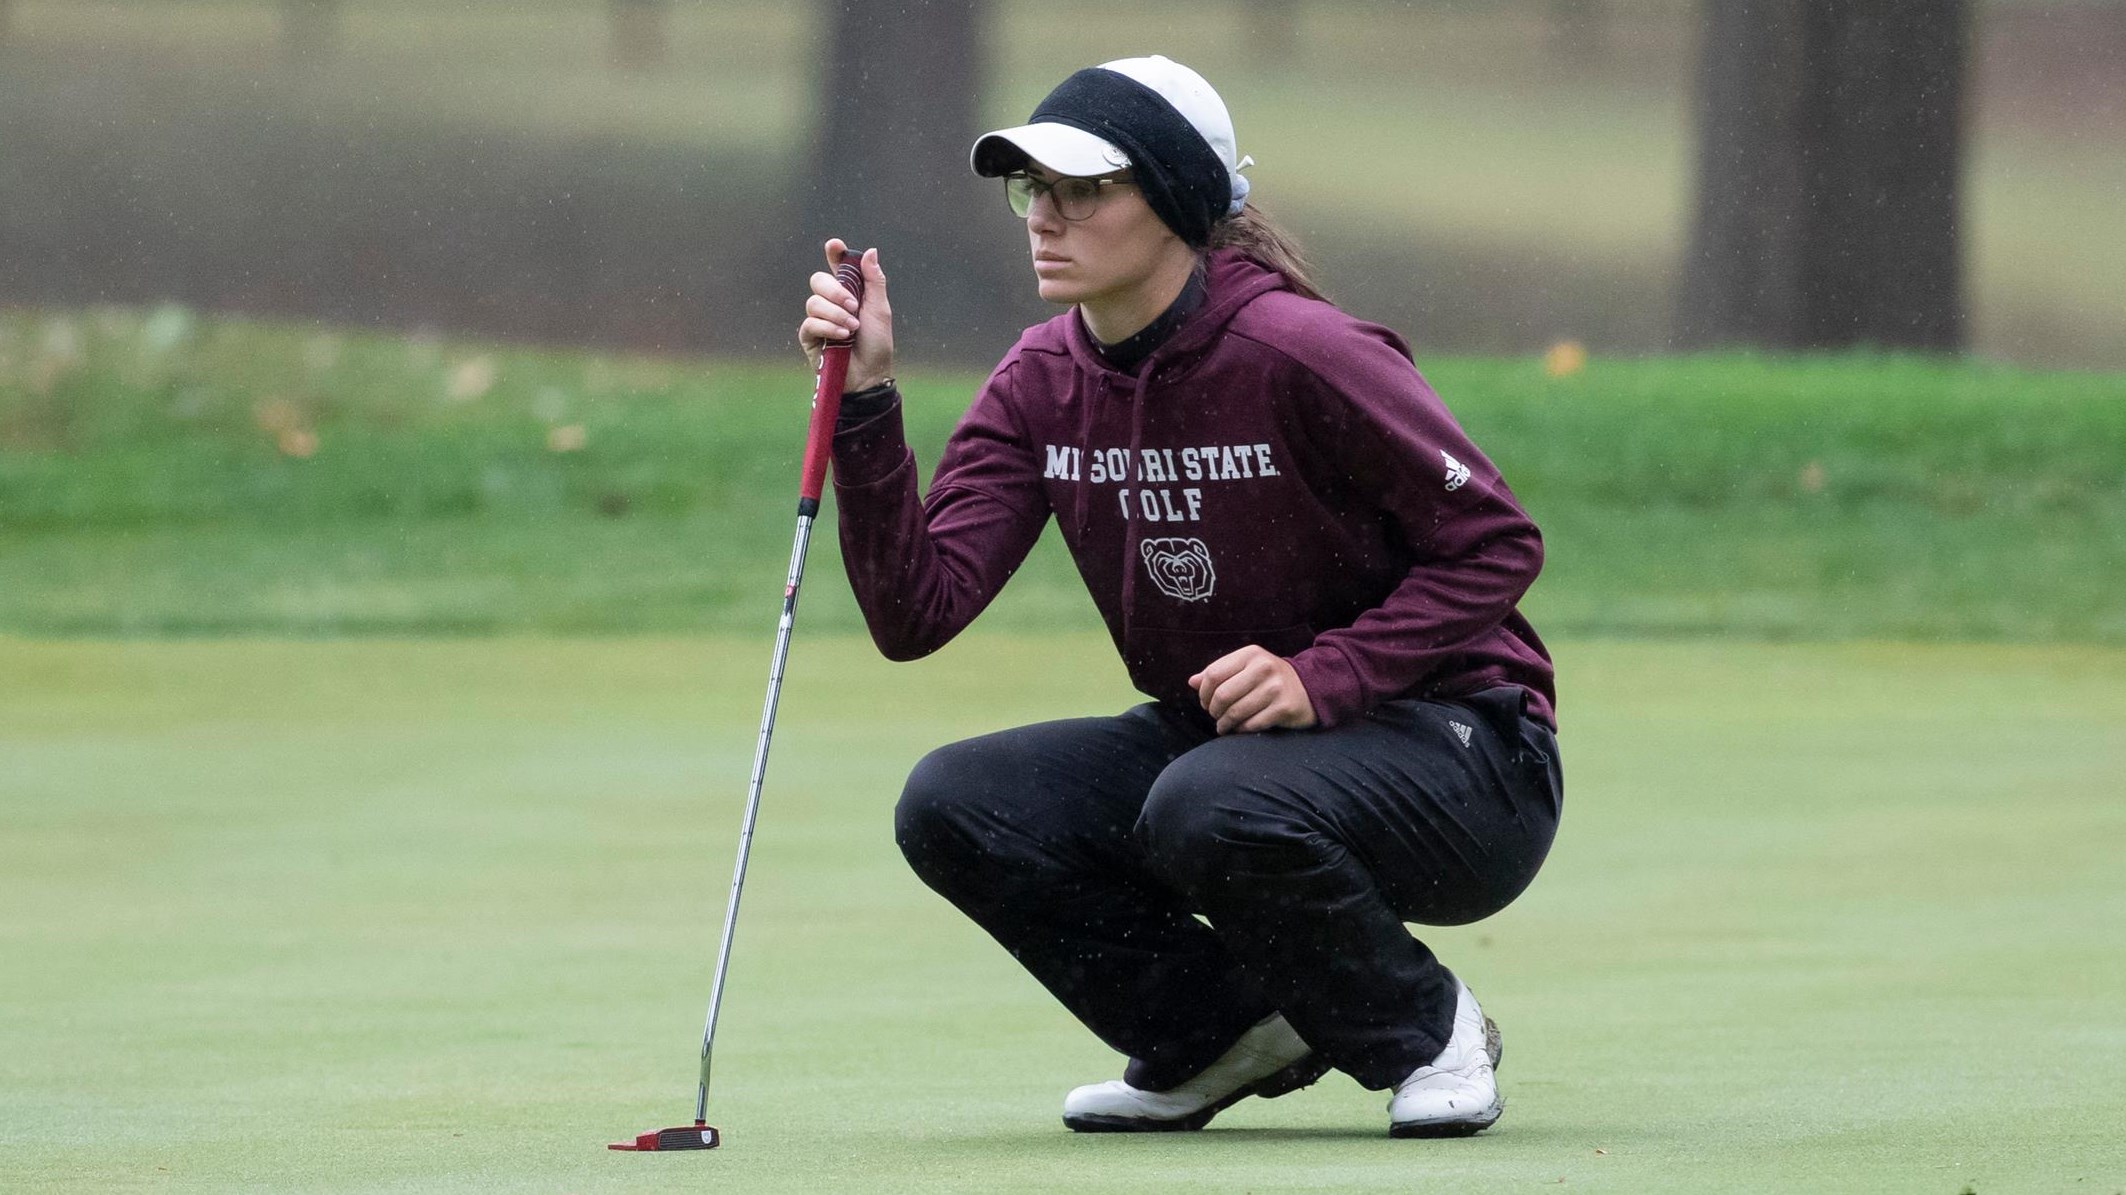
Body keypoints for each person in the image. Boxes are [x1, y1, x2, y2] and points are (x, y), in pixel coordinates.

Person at [795, 54, 1561, 1138]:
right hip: (1227, 755)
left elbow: (1494, 543)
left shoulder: (1298, 349)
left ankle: (1426, 1027)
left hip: (1463, 754)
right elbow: (917, 609)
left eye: (1084, 191)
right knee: (956, 804)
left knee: (1208, 799)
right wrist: (868, 398)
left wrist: (1320, 673)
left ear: (1177, 202)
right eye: (1033, 192)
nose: (1045, 219)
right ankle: (1220, 1031)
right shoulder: (1040, 381)